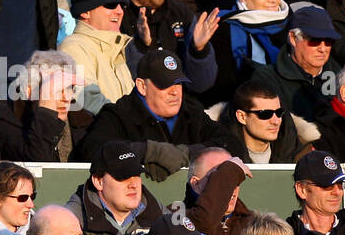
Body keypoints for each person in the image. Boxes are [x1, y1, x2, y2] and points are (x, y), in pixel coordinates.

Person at [74, 50, 236, 165]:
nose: (175, 92)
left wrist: (186, 154)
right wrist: (150, 152)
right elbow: (93, 150)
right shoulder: (118, 115)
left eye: (179, 84)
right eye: (164, 85)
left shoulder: (192, 112)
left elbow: (231, 144)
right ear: (142, 86)